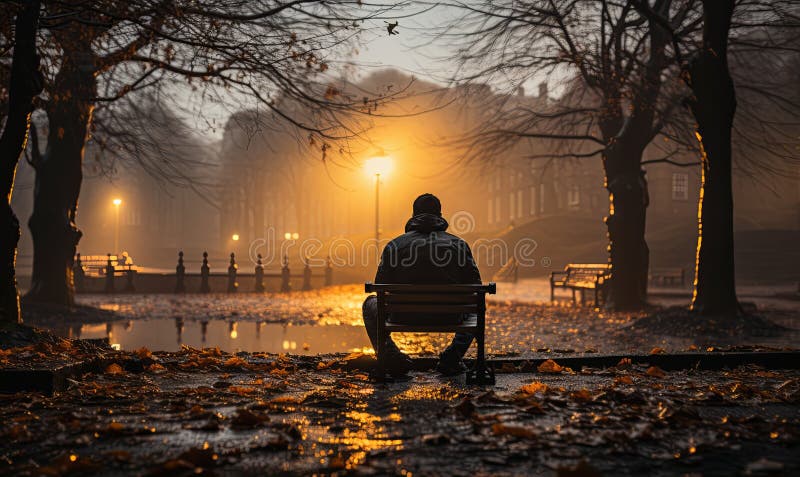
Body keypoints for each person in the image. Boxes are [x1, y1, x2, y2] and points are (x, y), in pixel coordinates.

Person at [362, 193, 482, 377]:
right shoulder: (459, 244)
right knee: (477, 304)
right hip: (450, 317)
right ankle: (451, 358)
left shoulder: (395, 245)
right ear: (440, 214)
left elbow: (380, 286)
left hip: (402, 316)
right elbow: (476, 285)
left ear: (414, 214)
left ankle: (392, 358)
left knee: (369, 303)